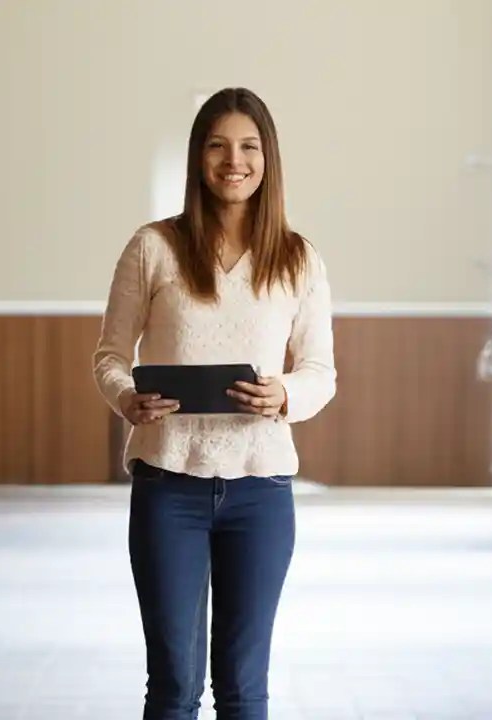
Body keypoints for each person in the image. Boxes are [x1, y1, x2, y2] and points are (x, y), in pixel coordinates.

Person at [92, 87, 337, 720]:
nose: (235, 161)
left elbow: (320, 371)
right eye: (219, 146)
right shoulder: (153, 247)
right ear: (199, 158)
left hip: (261, 490)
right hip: (167, 488)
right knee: (174, 685)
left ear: (268, 158)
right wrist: (127, 397)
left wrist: (286, 393)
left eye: (249, 147)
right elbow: (109, 356)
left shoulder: (298, 257)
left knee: (243, 687)